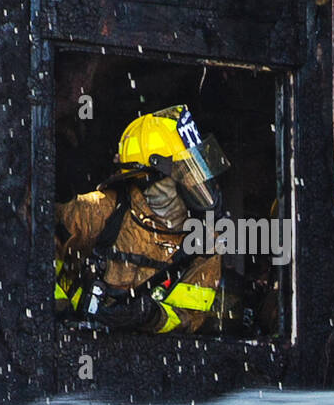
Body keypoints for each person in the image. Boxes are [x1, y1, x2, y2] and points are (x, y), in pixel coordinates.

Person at [54, 105, 227, 334]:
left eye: (198, 171)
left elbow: (190, 317)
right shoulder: (98, 211)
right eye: (186, 172)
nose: (197, 183)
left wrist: (152, 316)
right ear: (148, 179)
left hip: (150, 359)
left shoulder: (204, 240)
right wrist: (67, 308)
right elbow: (37, 251)